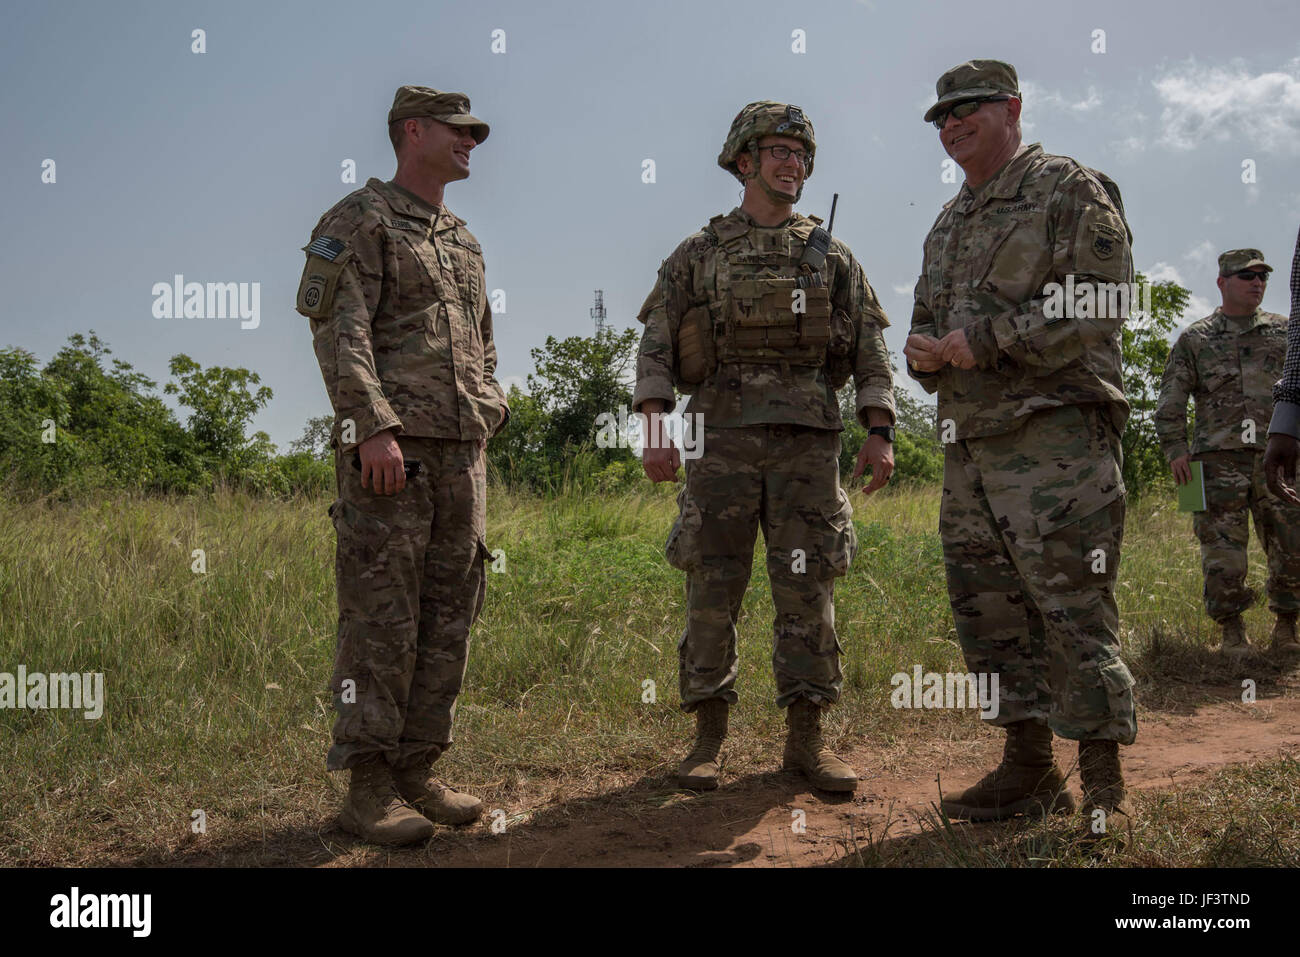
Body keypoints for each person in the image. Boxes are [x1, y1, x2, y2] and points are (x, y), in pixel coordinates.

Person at [903, 60, 1137, 842]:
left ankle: (1103, 781)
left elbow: (1105, 298)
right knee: (992, 615)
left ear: (1012, 108)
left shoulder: (1067, 188)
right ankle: (1029, 768)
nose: (952, 124)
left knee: (1072, 607)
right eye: (942, 117)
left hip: (1055, 438)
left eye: (968, 110)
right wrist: (921, 353)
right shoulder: (947, 222)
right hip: (970, 445)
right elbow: (928, 315)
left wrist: (992, 340)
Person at [633, 101, 897, 793]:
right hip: (718, 438)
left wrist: (879, 431)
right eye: (780, 150)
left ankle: (807, 742)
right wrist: (655, 424)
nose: (794, 163)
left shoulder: (834, 257)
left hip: (809, 443)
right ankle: (707, 737)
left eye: (802, 154)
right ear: (744, 161)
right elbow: (656, 342)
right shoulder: (699, 252)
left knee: (808, 589)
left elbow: (871, 347)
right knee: (712, 584)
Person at [295, 85, 509, 845]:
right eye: (458, 130)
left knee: (452, 610)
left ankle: (418, 768)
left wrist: (490, 408)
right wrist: (371, 428)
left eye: (475, 133)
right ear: (411, 131)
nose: (471, 142)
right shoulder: (359, 220)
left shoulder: (463, 240)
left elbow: (482, 341)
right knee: (382, 616)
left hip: (461, 455)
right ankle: (367, 785)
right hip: (391, 452)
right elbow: (337, 328)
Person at [1158, 249, 1300, 656]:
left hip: (1279, 459)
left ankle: (1287, 627)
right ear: (1222, 282)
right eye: (1246, 275)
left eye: (1262, 276)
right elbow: (1170, 402)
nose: (1257, 282)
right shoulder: (1195, 338)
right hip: (1212, 464)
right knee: (1221, 552)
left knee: (1291, 542)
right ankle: (1232, 632)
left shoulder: (1286, 332)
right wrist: (1175, 451)